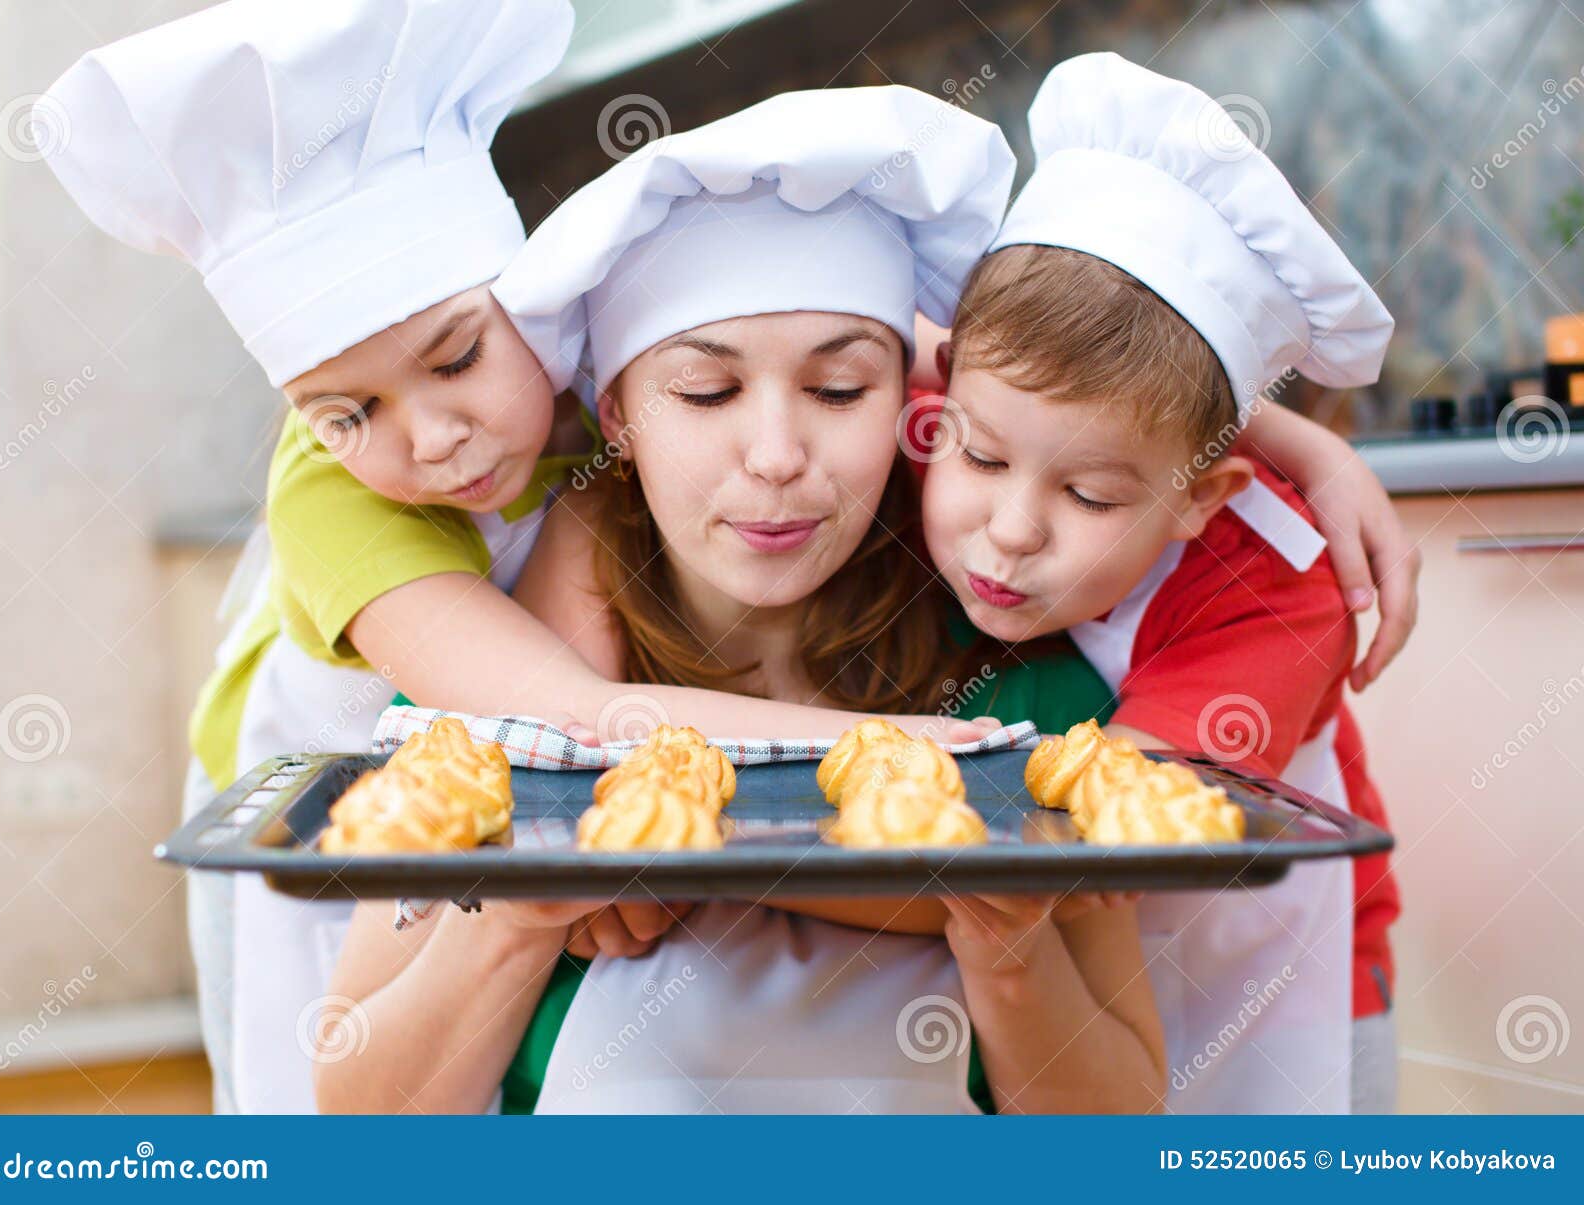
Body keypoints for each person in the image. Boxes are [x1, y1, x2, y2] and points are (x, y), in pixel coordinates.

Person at [321, 85, 1164, 1115]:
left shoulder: (1021, 692)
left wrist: (1010, 946)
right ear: (618, 413)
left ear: (912, 402)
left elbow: (1121, 1129)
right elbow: (362, 1118)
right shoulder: (508, 706)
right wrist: (520, 911)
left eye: (839, 390)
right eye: (707, 393)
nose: (775, 458)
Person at [918, 53, 1403, 1112]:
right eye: (980, 458)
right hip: (1093, 970)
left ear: (1201, 494)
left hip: (1282, 966)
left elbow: (1097, 833)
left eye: (1089, 496)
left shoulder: (1280, 582)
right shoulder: (964, 398)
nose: (1007, 532)